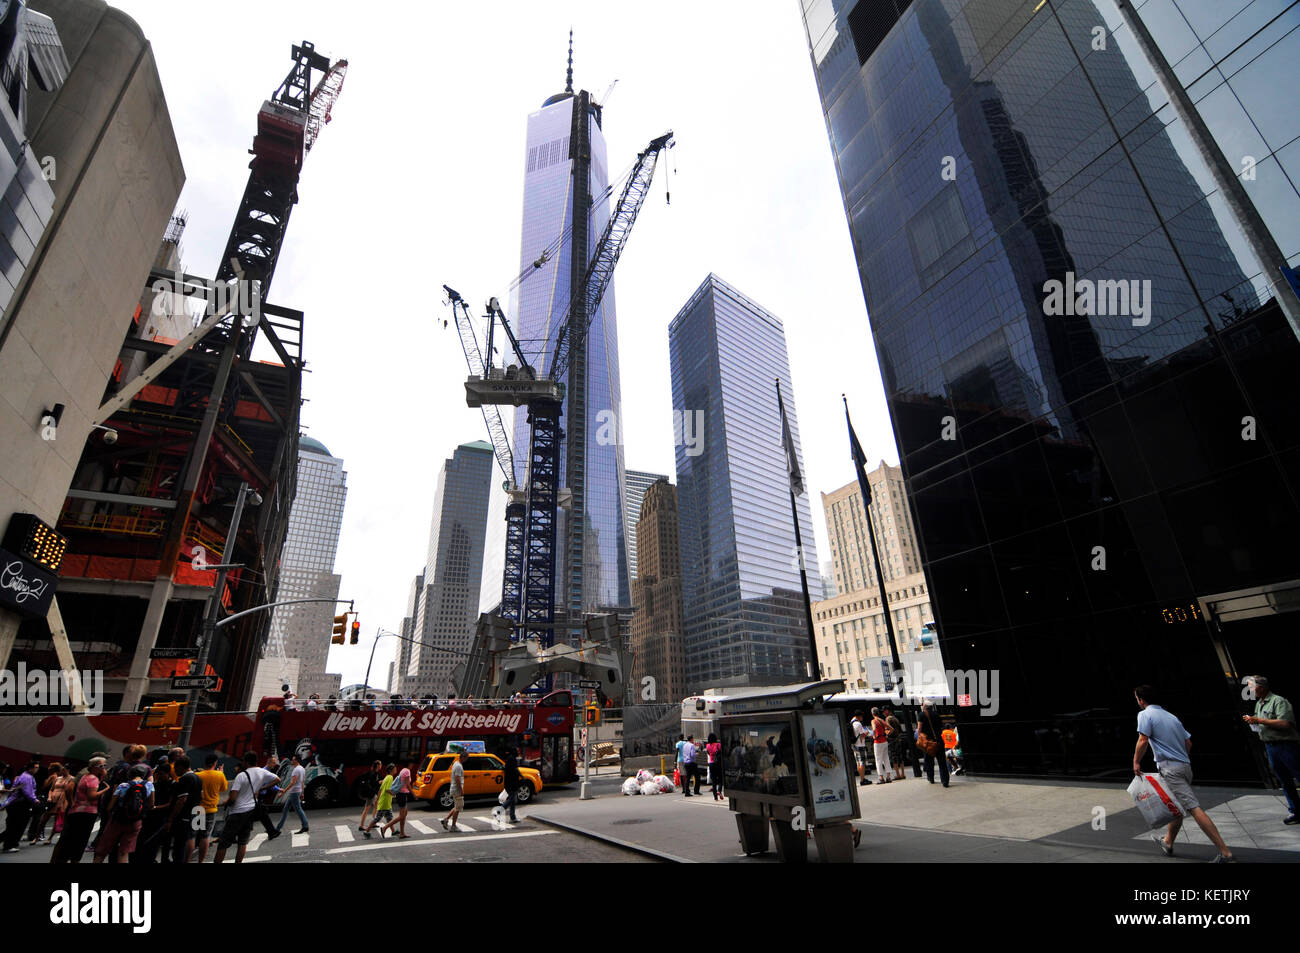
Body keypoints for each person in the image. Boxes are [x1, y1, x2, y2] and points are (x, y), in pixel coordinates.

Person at [1133, 684, 1235, 862]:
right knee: (1178, 806)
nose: (1137, 701)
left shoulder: (1145, 714)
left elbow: (1143, 739)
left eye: (1136, 698)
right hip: (1184, 766)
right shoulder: (1171, 716)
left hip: (1170, 769)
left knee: (1193, 807)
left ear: (1141, 700)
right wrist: (1179, 758)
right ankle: (1168, 842)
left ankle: (1225, 853)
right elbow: (1188, 743)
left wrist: (1136, 761)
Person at [1243, 675, 1300, 825]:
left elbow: (1285, 723)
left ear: (1261, 687)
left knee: (1297, 774)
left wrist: (1259, 720)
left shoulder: (1278, 701)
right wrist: (1253, 720)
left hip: (1286, 745)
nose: (1250, 690)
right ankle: (1296, 810)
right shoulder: (1259, 703)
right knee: (1284, 780)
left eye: (1252, 687)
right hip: (1270, 746)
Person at [214, 752, 281, 863]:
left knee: (223, 844)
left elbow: (233, 798)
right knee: (242, 842)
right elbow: (277, 779)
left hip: (237, 812)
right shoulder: (262, 771)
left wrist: (223, 803)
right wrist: (261, 788)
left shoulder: (241, 776)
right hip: (250, 811)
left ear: (246, 762)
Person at [50, 757, 106, 864]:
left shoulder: (88, 775)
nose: (104, 768)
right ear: (93, 766)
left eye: (105, 765)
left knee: (69, 840)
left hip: (77, 811)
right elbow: (69, 788)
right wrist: (71, 803)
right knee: (73, 841)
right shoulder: (88, 775)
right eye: (102, 766)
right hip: (83, 813)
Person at [94, 765, 154, 863]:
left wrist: (110, 816)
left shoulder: (123, 785)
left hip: (118, 820)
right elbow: (151, 805)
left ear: (129, 774)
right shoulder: (149, 786)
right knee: (124, 852)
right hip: (135, 822)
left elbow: (110, 807)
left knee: (102, 851)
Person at [166, 755, 201, 864]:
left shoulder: (185, 779)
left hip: (184, 817)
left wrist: (170, 819)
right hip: (195, 813)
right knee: (189, 838)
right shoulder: (197, 777)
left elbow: (181, 800)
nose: (175, 771)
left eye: (176, 768)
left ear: (181, 767)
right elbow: (201, 796)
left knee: (179, 845)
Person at [194, 754, 228, 863]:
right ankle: (201, 860)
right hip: (210, 809)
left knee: (194, 834)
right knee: (205, 836)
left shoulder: (197, 775)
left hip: (197, 809)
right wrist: (221, 773)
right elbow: (223, 788)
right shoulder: (219, 775)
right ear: (215, 763)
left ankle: (188, 855)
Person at [2, 761, 40, 852]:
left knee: (15, 825)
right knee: (16, 826)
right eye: (35, 767)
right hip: (19, 805)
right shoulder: (26, 777)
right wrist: (35, 800)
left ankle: (11, 843)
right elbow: (27, 792)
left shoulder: (27, 776)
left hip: (17, 804)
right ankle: (9, 845)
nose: (37, 769)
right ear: (30, 768)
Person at [32, 762, 72, 844]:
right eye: (62, 769)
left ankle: (50, 838)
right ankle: (36, 837)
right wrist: (49, 797)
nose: (63, 771)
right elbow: (51, 789)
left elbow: (71, 791)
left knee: (56, 821)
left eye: (64, 770)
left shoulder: (71, 779)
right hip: (53, 800)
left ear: (68, 770)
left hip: (62, 801)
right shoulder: (58, 778)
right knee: (43, 819)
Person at [382, 757, 418, 838]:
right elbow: (408, 785)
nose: (412, 765)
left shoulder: (403, 770)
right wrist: (414, 794)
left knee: (404, 815)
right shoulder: (407, 771)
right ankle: (385, 827)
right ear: (410, 764)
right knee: (402, 816)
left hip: (401, 794)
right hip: (402, 794)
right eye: (412, 764)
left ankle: (402, 833)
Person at [275, 753, 309, 834]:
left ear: (296, 761)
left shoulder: (296, 770)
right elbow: (303, 781)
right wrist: (302, 792)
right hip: (297, 791)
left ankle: (305, 826)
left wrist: (283, 792)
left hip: (294, 792)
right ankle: (277, 828)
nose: (291, 761)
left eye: (293, 760)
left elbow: (292, 783)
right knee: (286, 810)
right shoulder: (302, 769)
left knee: (298, 809)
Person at [917, 702, 949, 787]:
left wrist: (920, 737)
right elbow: (941, 727)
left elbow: (919, 728)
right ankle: (945, 781)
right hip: (938, 741)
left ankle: (931, 778)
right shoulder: (937, 714)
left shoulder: (921, 715)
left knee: (929, 760)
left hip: (928, 742)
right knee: (942, 762)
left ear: (924, 707)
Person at [364, 764, 397, 838]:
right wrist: (394, 794)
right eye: (395, 768)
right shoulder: (390, 777)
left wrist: (378, 799)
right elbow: (387, 789)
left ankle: (394, 831)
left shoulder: (386, 778)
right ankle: (366, 831)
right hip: (385, 802)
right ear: (391, 770)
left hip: (385, 802)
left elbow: (380, 790)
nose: (396, 769)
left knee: (389, 818)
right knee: (378, 818)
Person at [440, 749, 468, 831]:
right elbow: (457, 779)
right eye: (467, 758)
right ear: (463, 757)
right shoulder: (458, 766)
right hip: (457, 789)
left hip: (454, 788)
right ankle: (453, 826)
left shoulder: (456, 763)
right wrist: (461, 790)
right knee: (458, 808)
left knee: (456, 806)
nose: (467, 760)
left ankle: (446, 820)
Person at [357, 759, 383, 835]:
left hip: (373, 794)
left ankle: (374, 822)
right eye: (380, 764)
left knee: (376, 806)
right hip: (370, 794)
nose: (381, 766)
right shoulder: (374, 774)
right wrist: (380, 782)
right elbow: (373, 784)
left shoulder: (374, 773)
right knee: (366, 809)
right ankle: (361, 825)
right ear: (378, 766)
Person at [883, 705, 906, 781]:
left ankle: (898, 775)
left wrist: (885, 734)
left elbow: (888, 730)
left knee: (894, 757)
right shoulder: (895, 718)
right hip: (898, 739)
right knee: (900, 757)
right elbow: (900, 730)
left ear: (887, 711)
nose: (883, 713)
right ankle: (903, 774)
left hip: (892, 740)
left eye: (884, 711)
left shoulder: (887, 719)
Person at [850, 712, 871, 786]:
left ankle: (862, 778)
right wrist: (867, 733)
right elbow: (862, 736)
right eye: (862, 716)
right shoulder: (858, 724)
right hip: (860, 745)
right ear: (859, 716)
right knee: (862, 762)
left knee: (858, 762)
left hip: (854, 745)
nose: (862, 718)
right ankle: (862, 780)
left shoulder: (851, 722)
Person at [871, 708, 892, 784]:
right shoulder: (882, 720)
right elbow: (891, 729)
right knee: (886, 758)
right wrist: (886, 734)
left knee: (878, 760)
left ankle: (881, 778)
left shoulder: (873, 721)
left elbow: (873, 729)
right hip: (884, 741)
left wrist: (874, 736)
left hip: (878, 742)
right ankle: (888, 777)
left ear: (873, 714)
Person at [503, 749, 521, 824]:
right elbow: (515, 770)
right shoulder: (512, 759)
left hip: (509, 783)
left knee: (513, 801)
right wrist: (521, 776)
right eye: (517, 751)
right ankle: (499, 810)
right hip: (512, 783)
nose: (518, 752)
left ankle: (512, 817)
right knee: (512, 799)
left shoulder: (509, 759)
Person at [706, 733, 724, 800]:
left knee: (714, 781)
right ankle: (719, 791)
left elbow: (708, 753)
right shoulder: (718, 745)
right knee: (720, 779)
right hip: (718, 764)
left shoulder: (707, 746)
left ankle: (715, 797)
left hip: (711, 764)